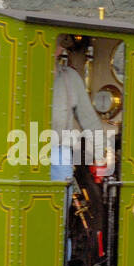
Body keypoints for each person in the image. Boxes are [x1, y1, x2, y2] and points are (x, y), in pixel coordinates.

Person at [51, 35, 103, 182]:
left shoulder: (71, 77)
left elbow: (89, 119)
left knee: (62, 193)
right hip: (25, 148)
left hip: (59, 149)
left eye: (60, 45)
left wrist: (103, 151)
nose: (60, 48)